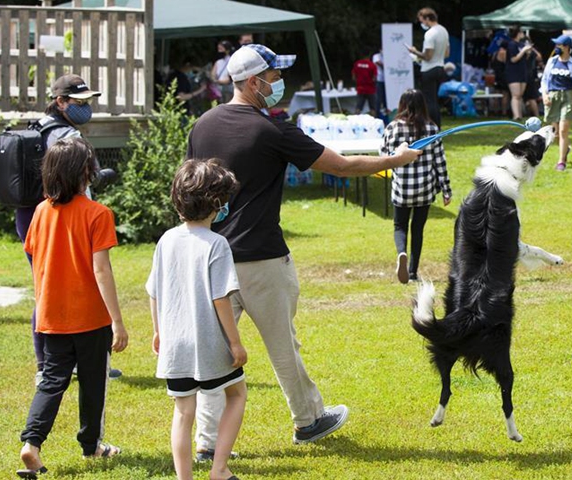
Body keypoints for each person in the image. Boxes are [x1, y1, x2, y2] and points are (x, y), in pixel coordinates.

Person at [186, 44, 421, 451]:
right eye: (275, 77)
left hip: (211, 257)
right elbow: (342, 166)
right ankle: (308, 421)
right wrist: (395, 161)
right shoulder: (272, 130)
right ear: (255, 83)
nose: (281, 83)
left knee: (213, 353)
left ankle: (206, 443)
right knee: (283, 347)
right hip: (261, 260)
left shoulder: (202, 126)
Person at [16, 137, 128, 478]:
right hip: (90, 318)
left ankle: (31, 445)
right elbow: (101, 270)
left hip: (51, 316)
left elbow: (36, 259)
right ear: (86, 172)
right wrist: (117, 322)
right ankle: (92, 445)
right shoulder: (98, 213)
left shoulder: (39, 211)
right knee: (93, 384)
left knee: (51, 383)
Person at [13, 74, 123, 386]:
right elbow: (80, 186)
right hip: (63, 221)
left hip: (35, 217)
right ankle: (80, 362)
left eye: (87, 102)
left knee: (45, 289)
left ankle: (46, 364)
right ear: (60, 102)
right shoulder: (67, 136)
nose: (85, 108)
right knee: (84, 287)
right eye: (79, 102)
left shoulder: (37, 126)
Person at [147, 159, 248, 480]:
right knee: (236, 394)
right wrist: (235, 343)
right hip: (208, 343)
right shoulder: (217, 244)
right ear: (217, 204)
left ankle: (184, 478)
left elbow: (155, 292)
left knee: (183, 412)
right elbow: (221, 298)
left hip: (174, 342)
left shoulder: (166, 240)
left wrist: (158, 332)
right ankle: (219, 469)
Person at [381, 89, 451, 284]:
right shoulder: (431, 128)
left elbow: (384, 155)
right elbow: (440, 161)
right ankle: (412, 272)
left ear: (402, 105)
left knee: (399, 226)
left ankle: (401, 252)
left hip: (402, 188)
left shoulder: (392, 128)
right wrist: (446, 189)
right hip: (424, 189)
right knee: (418, 229)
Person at [541, 34, 572, 171]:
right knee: (555, 133)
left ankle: (561, 162)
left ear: (567, 47)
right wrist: (544, 95)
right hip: (552, 97)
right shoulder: (551, 62)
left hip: (569, 97)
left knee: (563, 130)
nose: (556, 47)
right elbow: (544, 80)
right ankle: (565, 149)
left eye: (559, 45)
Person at [407, 7, 449, 128]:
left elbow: (428, 56)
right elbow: (447, 53)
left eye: (422, 21)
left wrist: (415, 52)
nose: (422, 24)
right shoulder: (444, 31)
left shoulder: (430, 33)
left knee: (429, 101)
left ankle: (432, 126)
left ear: (427, 19)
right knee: (435, 100)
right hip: (440, 67)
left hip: (429, 69)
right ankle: (437, 125)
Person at [504, 26, 532, 120]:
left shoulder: (521, 44)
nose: (523, 34)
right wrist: (523, 51)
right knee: (515, 95)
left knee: (520, 95)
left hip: (522, 71)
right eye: (521, 32)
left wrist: (527, 53)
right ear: (517, 33)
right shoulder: (511, 44)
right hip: (513, 72)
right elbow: (513, 59)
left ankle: (520, 115)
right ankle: (516, 116)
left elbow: (524, 59)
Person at [351, 49, 377, 115]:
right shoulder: (372, 65)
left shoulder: (357, 64)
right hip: (370, 89)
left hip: (360, 88)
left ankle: (356, 121)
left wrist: (358, 82)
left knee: (358, 108)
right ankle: (374, 122)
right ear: (369, 55)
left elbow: (353, 77)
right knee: (373, 108)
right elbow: (374, 78)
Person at [372, 49, 388, 118]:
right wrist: (387, 66)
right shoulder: (376, 56)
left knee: (385, 98)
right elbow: (378, 63)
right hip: (379, 79)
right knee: (378, 98)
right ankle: (377, 115)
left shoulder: (388, 56)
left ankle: (386, 114)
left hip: (387, 80)